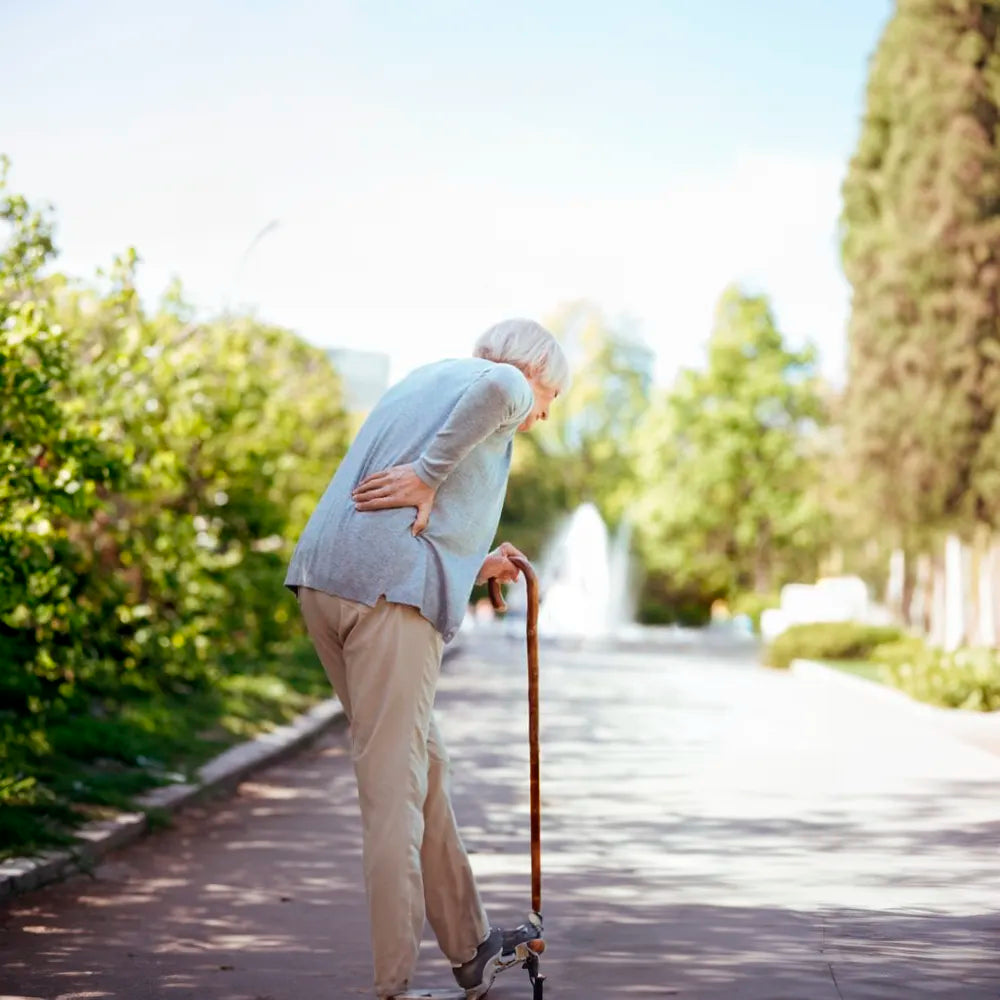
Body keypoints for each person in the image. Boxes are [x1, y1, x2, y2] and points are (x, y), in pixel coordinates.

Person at [284, 318, 569, 999]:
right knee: (395, 797)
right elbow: (502, 391)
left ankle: (471, 948)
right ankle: (393, 988)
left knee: (425, 765)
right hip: (386, 602)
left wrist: (475, 559)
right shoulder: (497, 384)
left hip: (327, 584)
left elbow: (402, 524)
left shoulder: (421, 381)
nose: (536, 420)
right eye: (547, 405)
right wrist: (428, 474)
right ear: (536, 375)